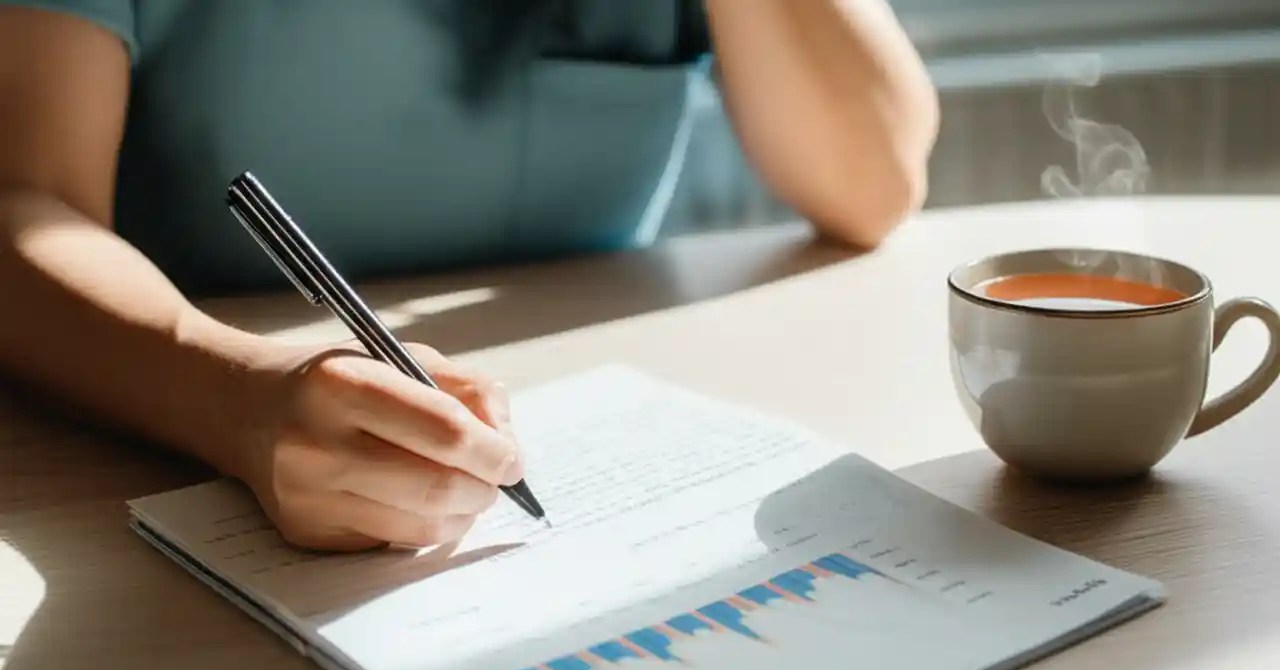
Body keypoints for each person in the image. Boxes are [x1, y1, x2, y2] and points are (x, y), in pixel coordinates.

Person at [0, 1, 939, 551]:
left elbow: (871, 185)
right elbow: (20, 200)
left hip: (611, 411)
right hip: (136, 460)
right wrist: (233, 396)